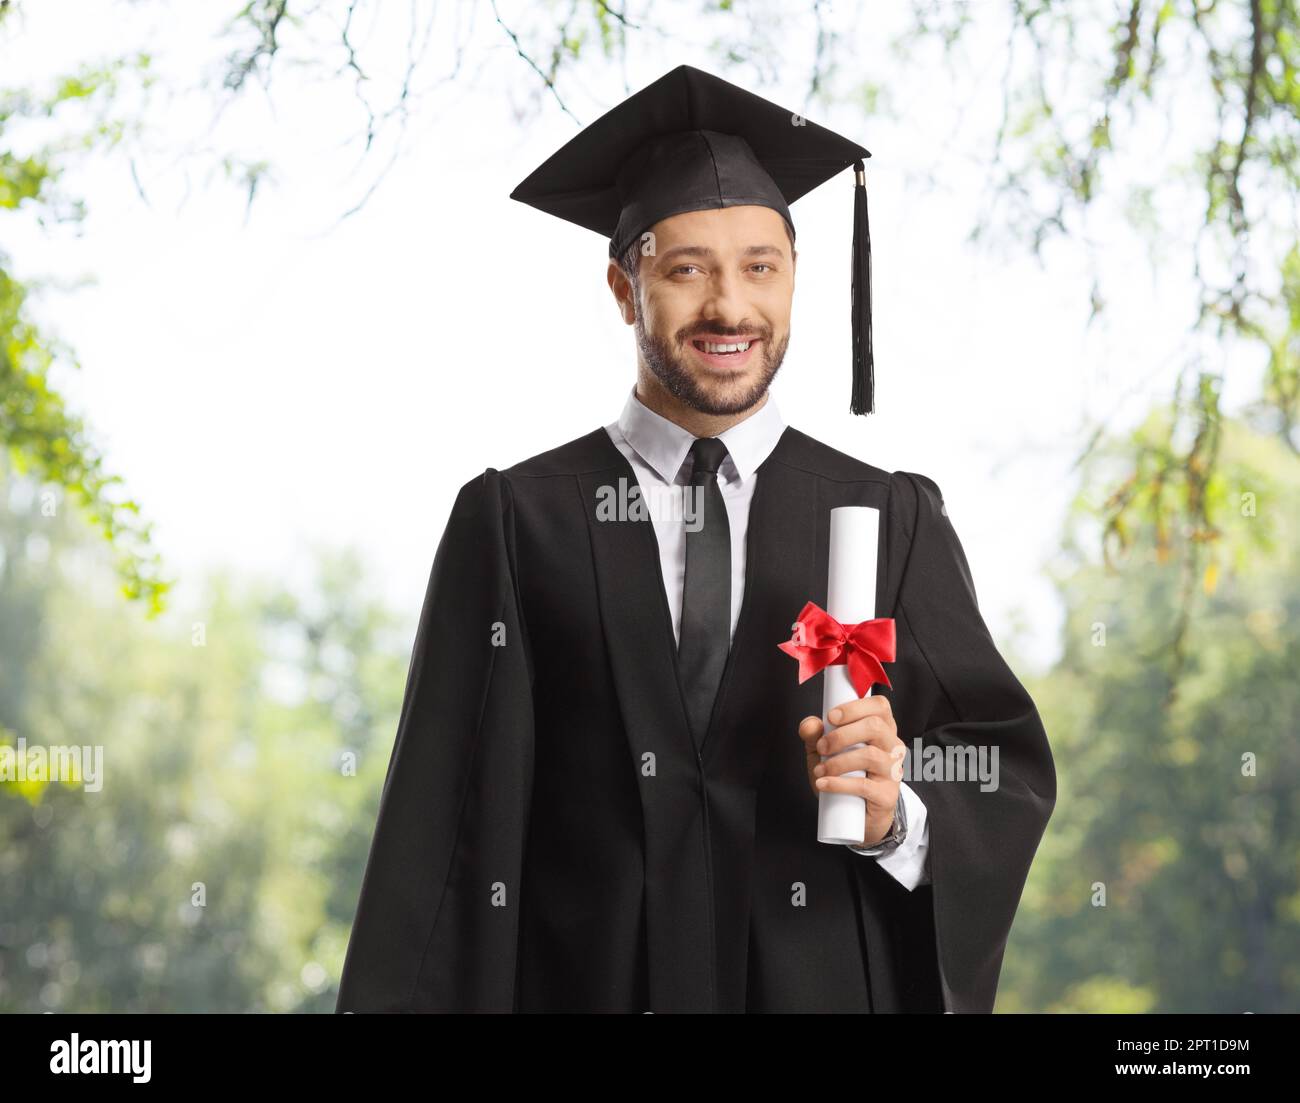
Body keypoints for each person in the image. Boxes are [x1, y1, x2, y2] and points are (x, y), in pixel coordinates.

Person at [335, 64, 1056, 1013]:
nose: (730, 305)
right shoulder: (518, 523)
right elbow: (446, 841)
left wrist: (898, 813)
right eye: (687, 268)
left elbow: (999, 763)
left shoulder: (891, 519)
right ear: (625, 288)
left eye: (761, 264)